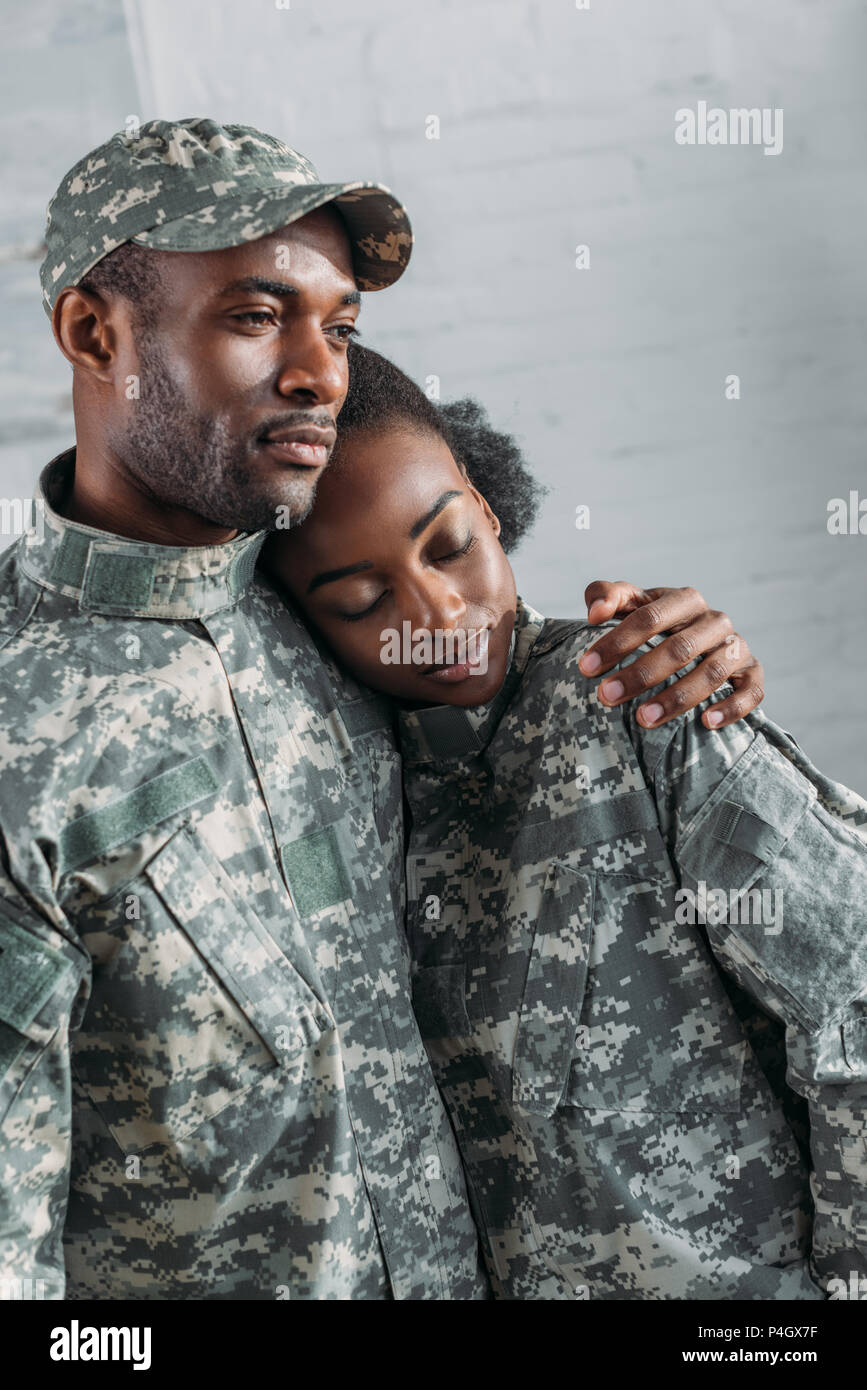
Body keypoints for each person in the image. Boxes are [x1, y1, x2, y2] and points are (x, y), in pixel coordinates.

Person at [0, 117, 776, 1303]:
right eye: (258, 316)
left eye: (341, 325)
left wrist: (675, 652)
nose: (320, 370)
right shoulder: (23, 723)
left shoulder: (312, 608)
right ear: (94, 331)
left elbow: (501, 692)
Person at [266, 340, 867, 1300]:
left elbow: (852, 1002)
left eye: (451, 544)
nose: (438, 612)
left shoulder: (638, 698)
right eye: (363, 599)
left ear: (490, 507)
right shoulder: (330, 803)